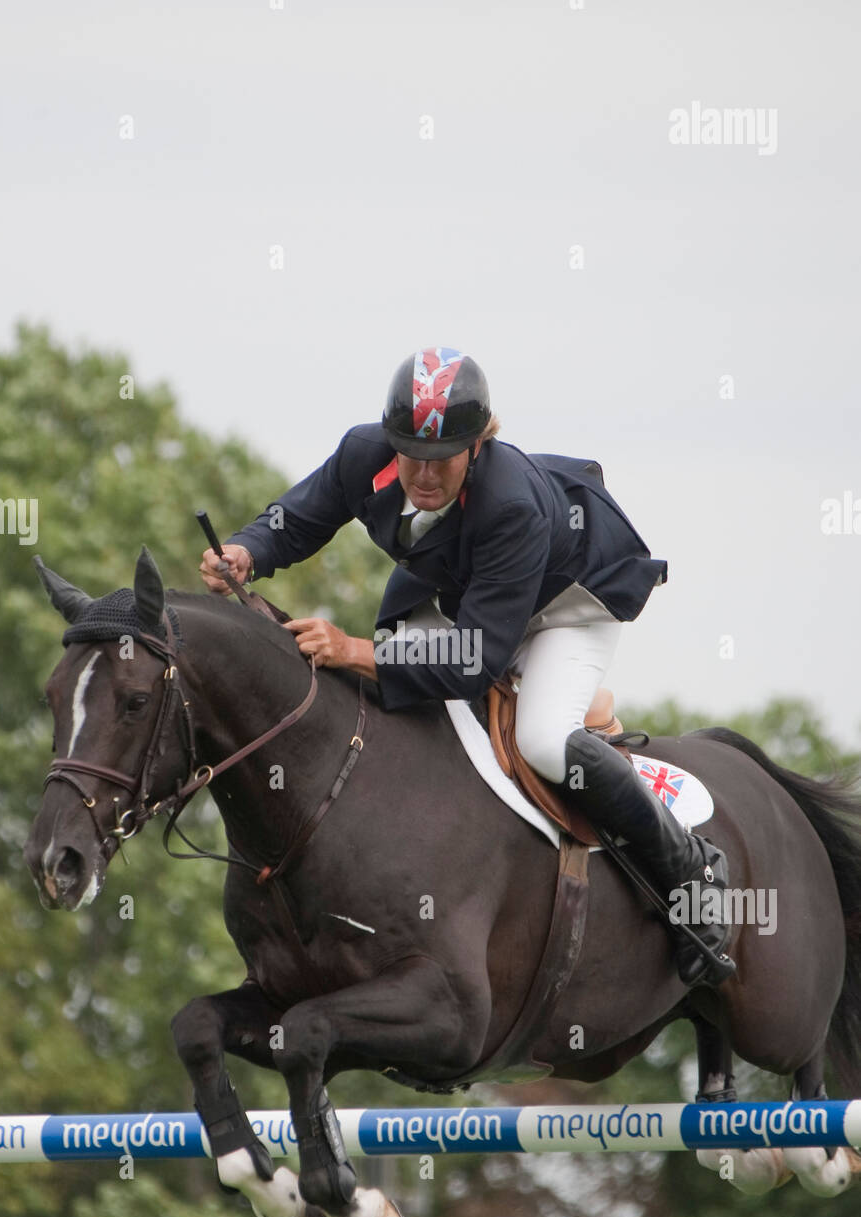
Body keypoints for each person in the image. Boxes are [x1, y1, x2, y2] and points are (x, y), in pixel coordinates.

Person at [199, 346, 730, 985]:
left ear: (477, 445)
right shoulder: (363, 453)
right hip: (465, 592)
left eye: (441, 459)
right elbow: (299, 518)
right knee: (389, 687)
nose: (422, 476)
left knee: (542, 739)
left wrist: (354, 650)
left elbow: (473, 658)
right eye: (410, 455)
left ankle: (689, 871)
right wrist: (246, 550)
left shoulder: (511, 503)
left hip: (568, 603)